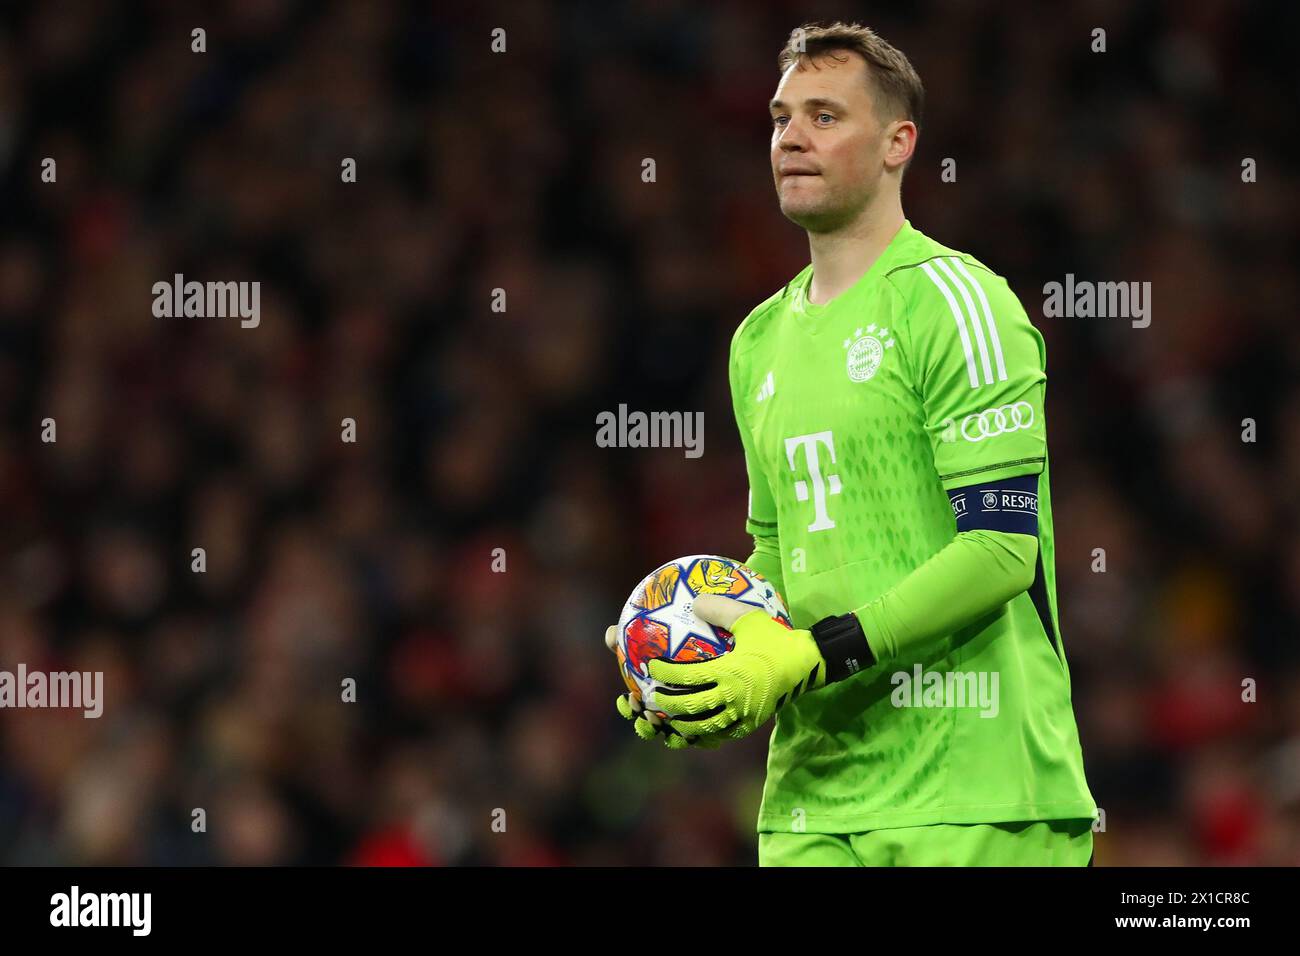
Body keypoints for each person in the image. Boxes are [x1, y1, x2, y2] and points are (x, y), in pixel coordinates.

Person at [608, 21, 1096, 866]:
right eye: (779, 117)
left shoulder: (956, 303)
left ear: (899, 143)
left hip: (975, 792)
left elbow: (1000, 550)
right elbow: (778, 554)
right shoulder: (756, 341)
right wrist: (691, 647)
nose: (792, 136)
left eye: (825, 116)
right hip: (813, 802)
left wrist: (809, 654)